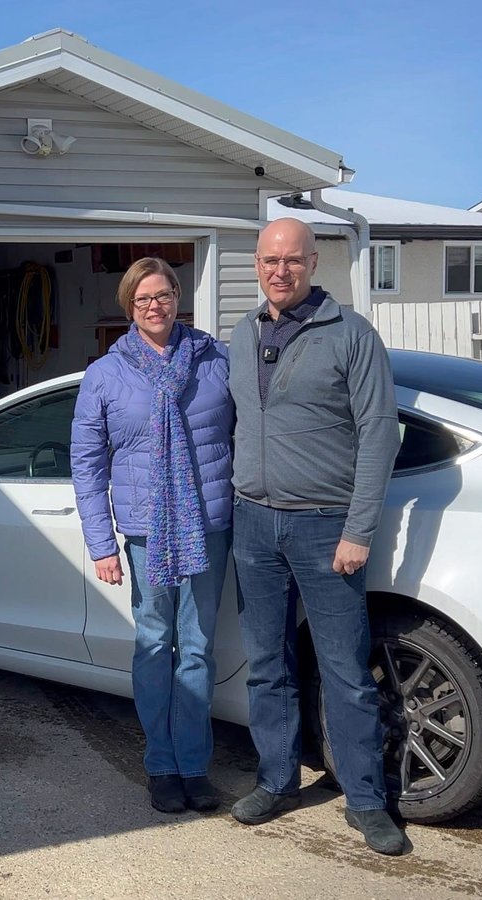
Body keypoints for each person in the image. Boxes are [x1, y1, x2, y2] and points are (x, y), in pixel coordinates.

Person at [226, 218, 407, 855]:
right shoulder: (242, 335)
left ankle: (365, 801)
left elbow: (380, 434)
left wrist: (358, 531)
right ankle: (277, 780)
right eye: (271, 260)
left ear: (313, 264)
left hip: (325, 526)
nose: (282, 271)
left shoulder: (352, 335)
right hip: (252, 522)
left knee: (344, 669)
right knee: (268, 665)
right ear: (257, 265)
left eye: (294, 261)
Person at [71, 257, 235, 814]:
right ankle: (161, 766)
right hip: (145, 533)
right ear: (128, 307)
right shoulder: (106, 374)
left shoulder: (215, 360)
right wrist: (101, 543)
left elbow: (251, 430)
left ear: (177, 296)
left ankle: (195, 765)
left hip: (207, 525)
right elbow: (87, 463)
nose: (154, 307)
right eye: (142, 300)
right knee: (153, 643)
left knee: (196, 648)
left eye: (162, 295)